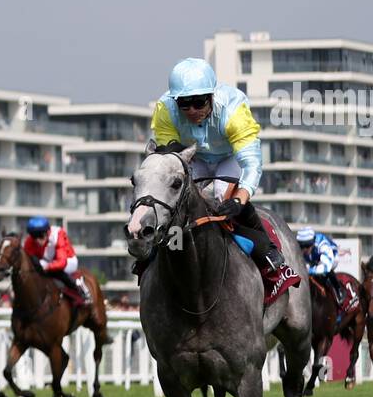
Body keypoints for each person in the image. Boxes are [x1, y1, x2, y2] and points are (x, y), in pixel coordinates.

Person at [148, 58, 299, 288]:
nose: (191, 110)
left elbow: (251, 164)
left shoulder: (232, 109)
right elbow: (170, 158)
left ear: (211, 96)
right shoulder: (165, 110)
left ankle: (267, 250)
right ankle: (160, 254)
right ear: (174, 101)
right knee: (181, 198)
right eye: (184, 104)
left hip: (228, 158)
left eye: (198, 102)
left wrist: (239, 199)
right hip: (194, 158)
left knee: (221, 195)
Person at [23, 216, 92, 303]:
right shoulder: (29, 241)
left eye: (40, 236)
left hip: (68, 262)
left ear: (47, 232)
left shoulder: (57, 235)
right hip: (48, 262)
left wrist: (46, 267)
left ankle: (78, 286)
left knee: (54, 271)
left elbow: (61, 263)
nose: (37, 240)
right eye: (34, 236)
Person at [296, 227, 347, 309]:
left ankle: (338, 290)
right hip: (315, 257)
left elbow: (326, 266)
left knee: (326, 271)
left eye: (307, 245)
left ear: (312, 242)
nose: (304, 249)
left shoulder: (322, 244)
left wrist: (310, 270)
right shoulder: (302, 247)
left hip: (331, 257)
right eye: (302, 246)